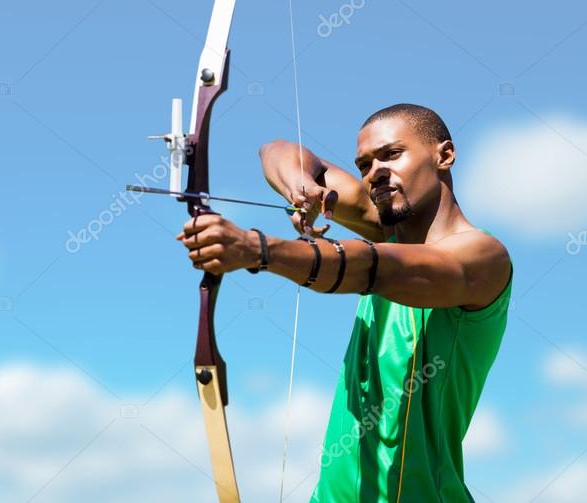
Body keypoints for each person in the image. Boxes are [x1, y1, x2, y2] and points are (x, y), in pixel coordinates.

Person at [177, 104, 511, 502]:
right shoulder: (385, 225)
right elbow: (276, 149)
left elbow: (376, 270)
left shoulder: (484, 257)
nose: (374, 173)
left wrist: (256, 249)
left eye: (391, 154)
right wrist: (300, 186)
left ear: (444, 155)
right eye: (364, 165)